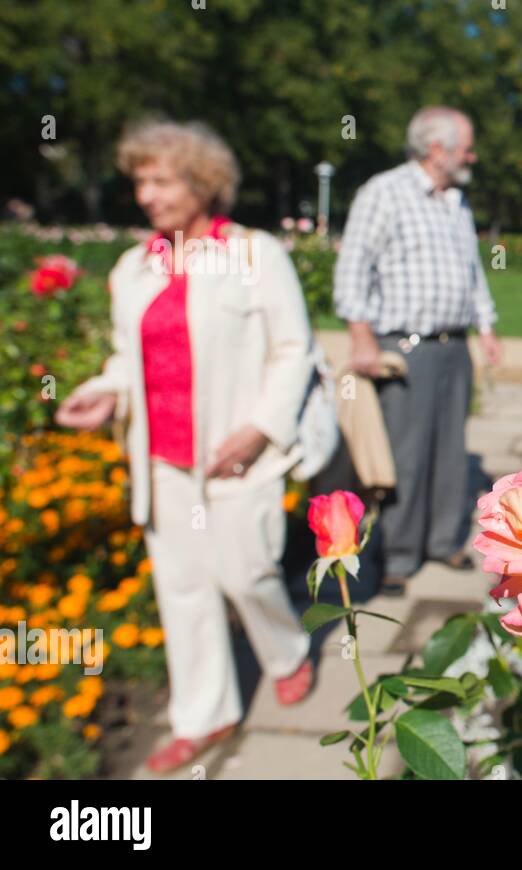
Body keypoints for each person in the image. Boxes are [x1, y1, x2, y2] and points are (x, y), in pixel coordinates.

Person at [56, 120, 316, 774]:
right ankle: (206, 715)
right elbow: (129, 359)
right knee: (184, 590)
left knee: (246, 573)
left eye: (161, 180)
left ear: (201, 182)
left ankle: (286, 653)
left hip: (237, 455)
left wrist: (260, 429)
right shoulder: (132, 268)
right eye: (140, 181)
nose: (146, 194)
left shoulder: (256, 254)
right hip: (162, 463)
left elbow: (294, 351)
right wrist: (105, 394)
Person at [333, 106, 500, 596]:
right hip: (404, 348)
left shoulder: (457, 202)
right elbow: (353, 266)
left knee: (450, 449)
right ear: (435, 149)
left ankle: (444, 540)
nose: (472, 155)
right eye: (466, 146)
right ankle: (399, 555)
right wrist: (361, 336)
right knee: (404, 454)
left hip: (454, 346)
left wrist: (486, 326)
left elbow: (473, 271)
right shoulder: (384, 192)